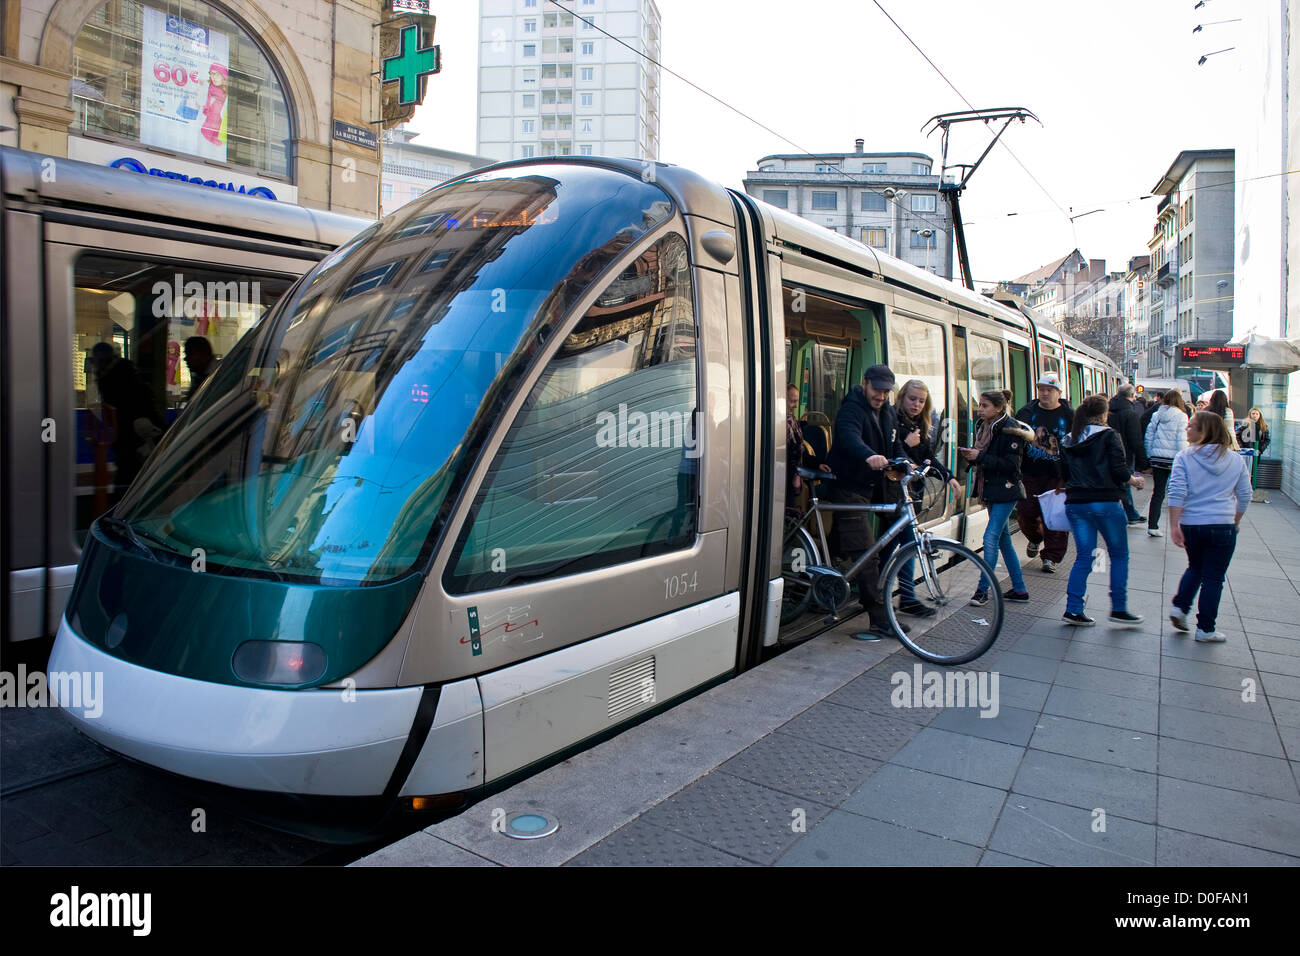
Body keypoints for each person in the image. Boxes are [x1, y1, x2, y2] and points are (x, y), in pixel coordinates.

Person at [826, 364, 912, 639]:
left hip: (874, 486)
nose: (882, 396)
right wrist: (868, 455)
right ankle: (878, 619)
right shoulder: (852, 408)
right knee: (866, 553)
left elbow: (894, 442)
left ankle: (830, 585)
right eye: (877, 389)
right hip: (849, 485)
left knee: (869, 542)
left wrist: (904, 460)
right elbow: (848, 437)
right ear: (865, 383)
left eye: (887, 391)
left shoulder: (887, 411)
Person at [1059, 395, 1145, 627]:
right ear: (1105, 414)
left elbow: (1064, 473)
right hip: (1105, 502)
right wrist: (1134, 481)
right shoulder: (1109, 436)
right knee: (1118, 554)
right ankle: (1118, 607)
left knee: (1084, 556)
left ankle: (1073, 609)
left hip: (1076, 504)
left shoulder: (1069, 438)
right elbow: (1119, 470)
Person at [1167, 411, 1252, 643]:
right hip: (1222, 525)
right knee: (1214, 577)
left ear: (1205, 431)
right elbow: (1245, 494)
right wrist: (1235, 520)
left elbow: (1177, 492)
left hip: (1192, 524)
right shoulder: (1235, 460)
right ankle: (1205, 629)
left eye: (1192, 426)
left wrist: (1174, 524)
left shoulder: (1184, 457)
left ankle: (1180, 607)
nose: (1187, 429)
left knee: (1195, 567)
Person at [893, 379, 963, 617]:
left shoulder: (919, 424)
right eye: (912, 399)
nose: (916, 404)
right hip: (895, 493)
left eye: (921, 401)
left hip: (912, 494)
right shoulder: (893, 420)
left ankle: (895, 596)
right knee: (903, 544)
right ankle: (904, 598)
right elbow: (893, 453)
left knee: (901, 545)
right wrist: (906, 443)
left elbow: (928, 458)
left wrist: (949, 477)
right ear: (902, 397)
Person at [959, 390, 1033, 606]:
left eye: (985, 406)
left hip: (1006, 490)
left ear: (999, 408)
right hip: (992, 489)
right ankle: (1020, 590)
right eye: (980, 405)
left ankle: (982, 591)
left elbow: (1012, 466)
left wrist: (980, 456)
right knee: (1004, 540)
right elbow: (989, 458)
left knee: (990, 538)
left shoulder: (1011, 430)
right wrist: (973, 456)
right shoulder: (984, 427)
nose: (979, 409)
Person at [1014, 373, 1073, 574]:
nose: (1044, 393)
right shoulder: (1026, 413)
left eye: (1049, 390)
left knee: (1056, 517)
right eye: (1041, 389)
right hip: (1030, 472)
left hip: (1058, 474)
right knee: (1026, 512)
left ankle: (1051, 557)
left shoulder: (1069, 416)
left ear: (1059, 393)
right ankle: (1035, 537)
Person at [89, 342, 164, 493]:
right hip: (131, 443)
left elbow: (128, 414)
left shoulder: (118, 381)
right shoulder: (125, 375)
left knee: (128, 481)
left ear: (103, 361)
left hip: (133, 444)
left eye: (95, 361)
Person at [1143, 388, 1189, 536]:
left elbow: (1148, 436)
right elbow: (1182, 439)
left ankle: (1153, 525)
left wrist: (1150, 455)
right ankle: (1179, 525)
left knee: (1158, 492)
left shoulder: (1157, 415)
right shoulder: (1182, 416)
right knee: (1176, 491)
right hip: (1174, 459)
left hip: (1157, 458)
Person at [1107, 384, 1149, 524]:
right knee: (1126, 484)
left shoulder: (1108, 408)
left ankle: (1129, 513)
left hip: (1107, 453)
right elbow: (1135, 439)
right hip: (1126, 454)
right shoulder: (1130, 413)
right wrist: (1143, 461)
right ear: (1132, 396)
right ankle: (1130, 514)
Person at [184, 336, 217, 402]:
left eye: (190, 354)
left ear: (203, 355)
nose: (185, 359)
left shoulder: (218, 376)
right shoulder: (199, 375)